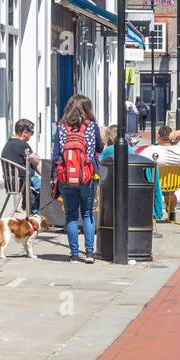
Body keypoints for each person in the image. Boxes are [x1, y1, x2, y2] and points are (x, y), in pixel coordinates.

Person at [51, 94, 104, 264]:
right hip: (87, 176)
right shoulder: (91, 126)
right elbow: (100, 147)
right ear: (87, 109)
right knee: (88, 214)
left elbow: (56, 155)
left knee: (71, 216)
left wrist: (54, 177)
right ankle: (89, 253)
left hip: (66, 177)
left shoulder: (61, 127)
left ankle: (74, 254)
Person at [102, 125, 165, 223]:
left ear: (109, 137)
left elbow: (99, 164)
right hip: (132, 183)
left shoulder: (110, 149)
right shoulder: (130, 149)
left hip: (115, 186)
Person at [140, 125, 180, 220]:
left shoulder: (151, 150)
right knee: (170, 193)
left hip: (156, 186)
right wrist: (178, 132)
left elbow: (138, 159)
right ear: (172, 136)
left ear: (158, 136)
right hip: (174, 184)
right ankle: (172, 212)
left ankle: (151, 213)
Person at [1, 119, 42, 213]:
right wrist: (48, 176)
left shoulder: (9, 143)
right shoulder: (22, 145)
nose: (31, 136)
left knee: (37, 181)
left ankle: (29, 207)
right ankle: (36, 212)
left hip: (11, 182)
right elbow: (36, 160)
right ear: (25, 132)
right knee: (46, 188)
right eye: (31, 133)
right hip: (22, 182)